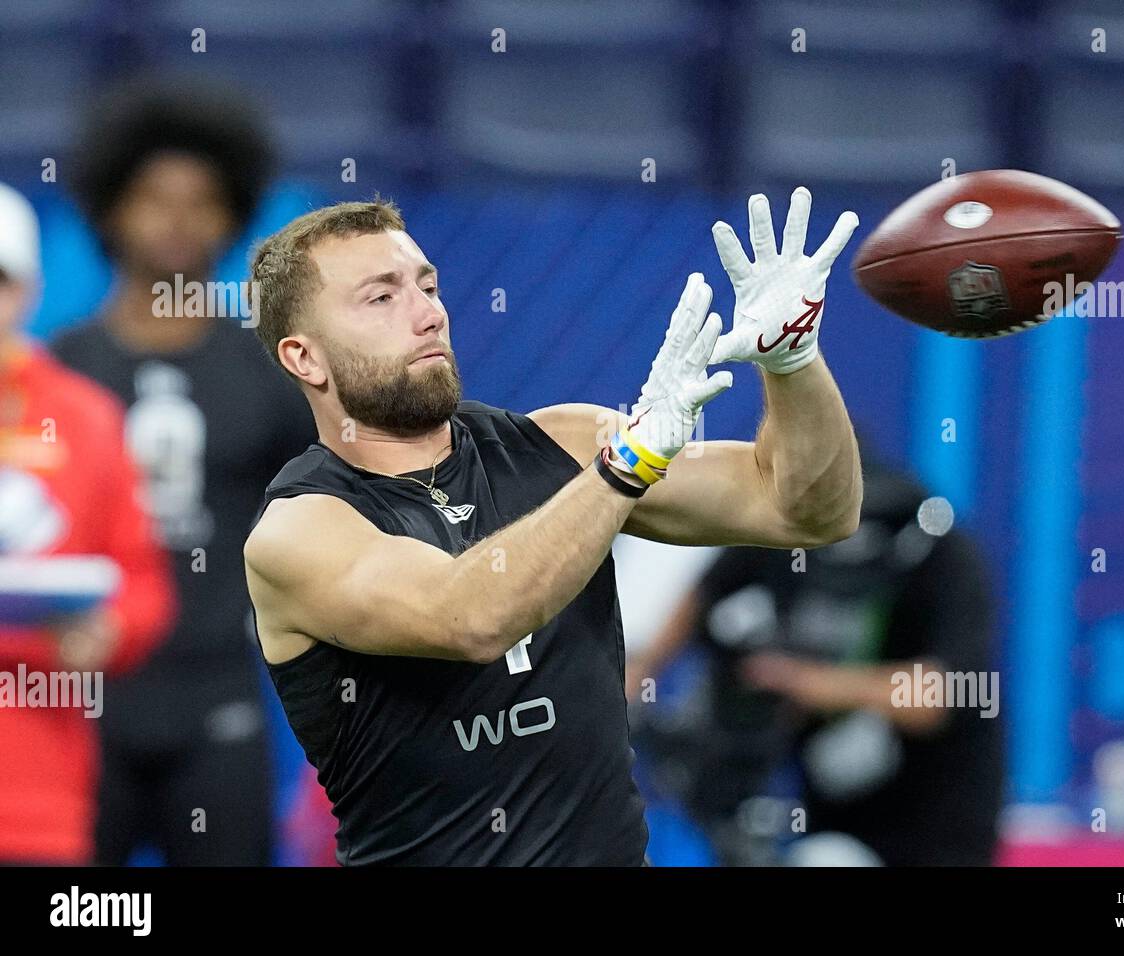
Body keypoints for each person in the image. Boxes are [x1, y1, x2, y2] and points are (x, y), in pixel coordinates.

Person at [242, 189, 863, 865]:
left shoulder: (560, 443)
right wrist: (627, 464)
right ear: (304, 358)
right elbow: (470, 617)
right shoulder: (299, 531)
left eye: (428, 286)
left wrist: (793, 364)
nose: (426, 314)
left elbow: (807, 509)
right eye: (381, 298)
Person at [50, 78, 317, 865]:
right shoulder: (62, 370)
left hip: (219, 697)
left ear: (233, 212)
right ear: (108, 210)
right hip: (83, 699)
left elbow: (329, 516)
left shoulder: (267, 372)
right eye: (152, 197)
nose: (176, 219)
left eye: (199, 198)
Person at [627, 445, 1004, 866]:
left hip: (936, 827)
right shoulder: (789, 531)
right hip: (832, 817)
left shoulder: (941, 553)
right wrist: (640, 674)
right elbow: (707, 592)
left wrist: (803, 682)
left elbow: (941, 695)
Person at [0, 181, 176, 864]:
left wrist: (108, 633)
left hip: (38, 801)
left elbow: (145, 586)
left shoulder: (86, 418)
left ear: (30, 292)